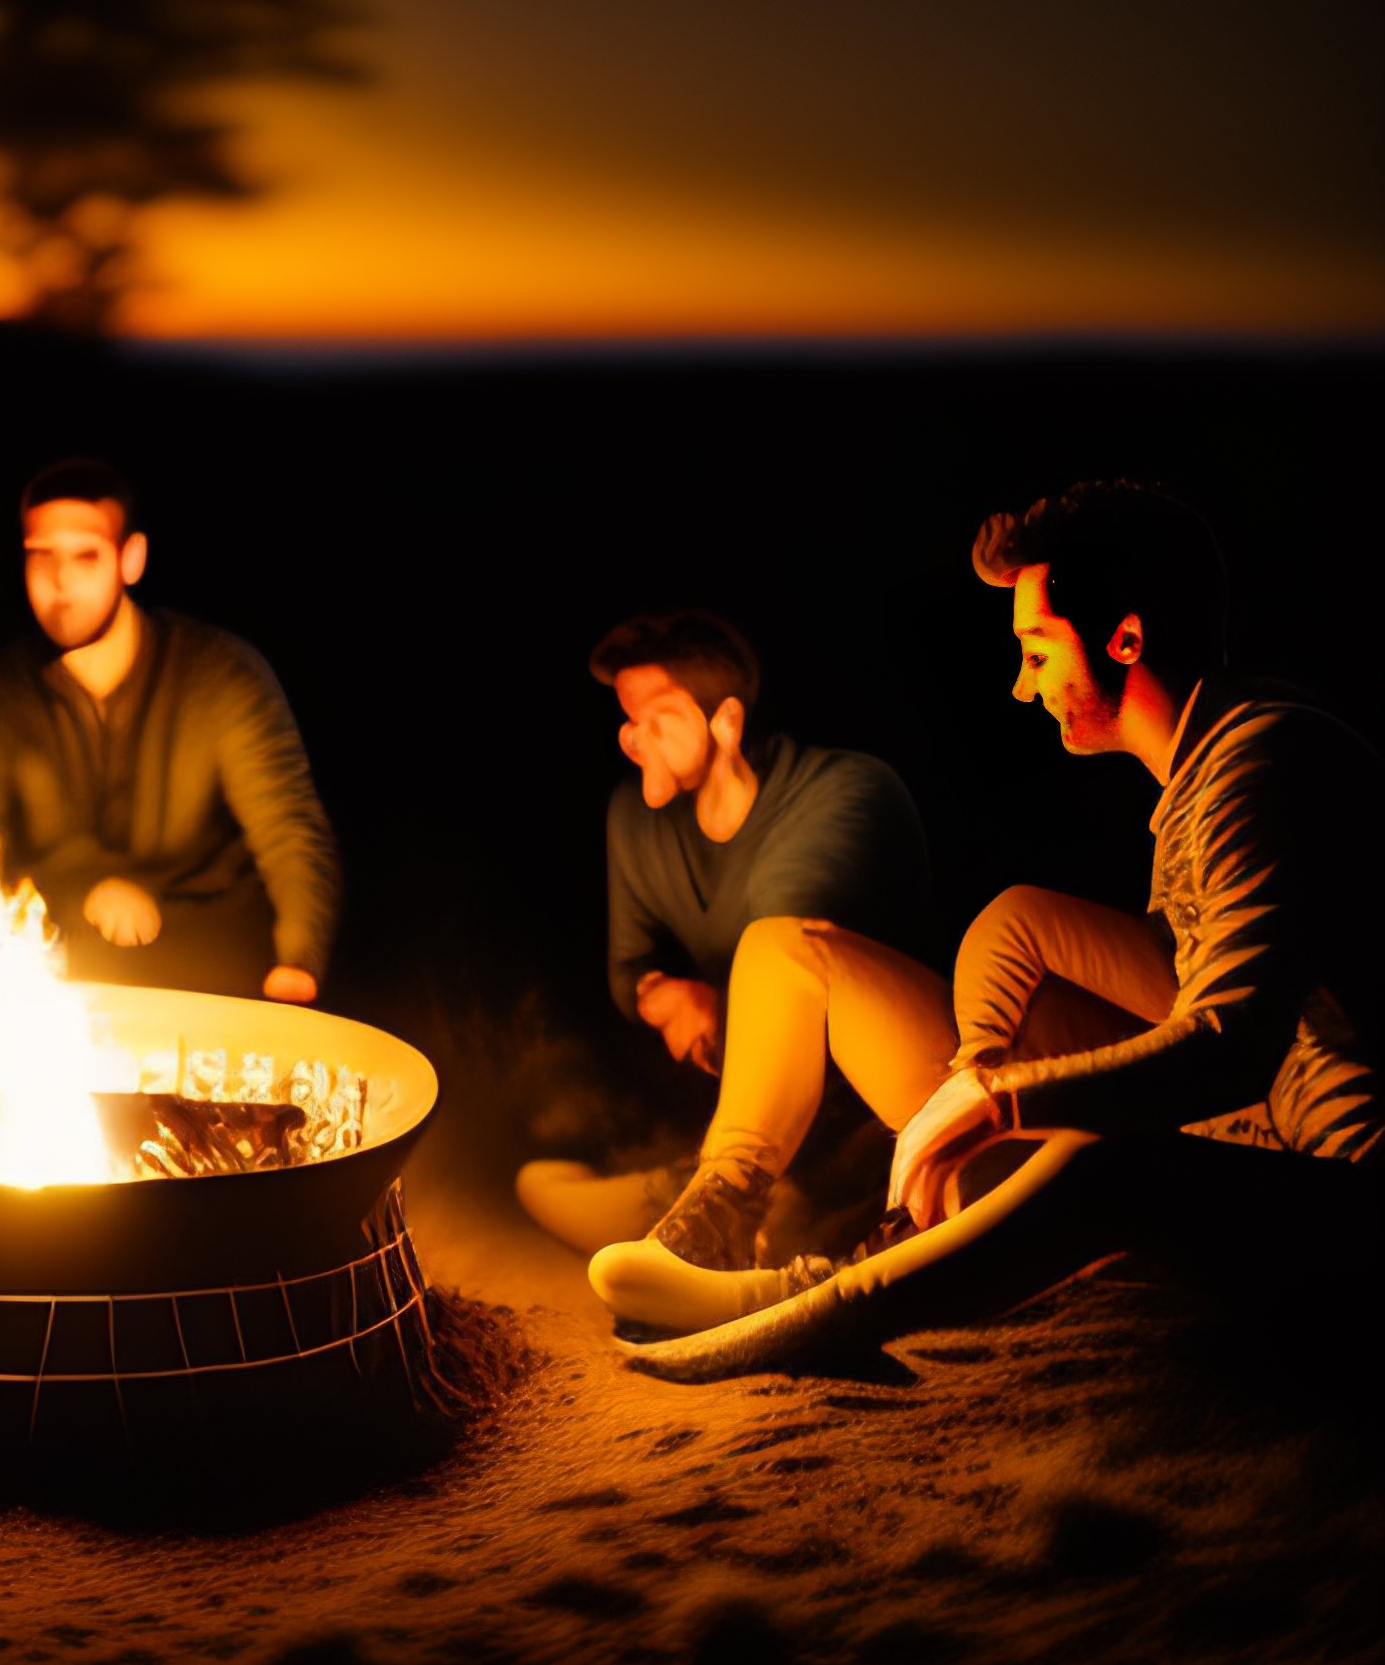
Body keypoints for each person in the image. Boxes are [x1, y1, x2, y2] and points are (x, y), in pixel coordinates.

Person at [593, 482, 1381, 1357]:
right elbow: (1182, 980)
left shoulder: (1260, 768)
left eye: (1039, 650)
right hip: (1247, 1137)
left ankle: (818, 1307)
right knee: (857, 942)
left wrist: (997, 1102)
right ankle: (725, 1232)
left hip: (1344, 1208)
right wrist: (979, 1066)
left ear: (1124, 640)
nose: (1021, 684)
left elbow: (1233, 1041)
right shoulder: (1208, 771)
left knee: (1104, 1168)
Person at [517, 612, 931, 1257]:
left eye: (658, 717)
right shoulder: (636, 818)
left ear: (726, 722)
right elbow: (630, 967)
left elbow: (784, 959)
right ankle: (706, 1198)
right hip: (760, 1125)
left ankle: (749, 1218)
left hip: (878, 1123)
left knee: (788, 1251)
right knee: (539, 1187)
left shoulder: (845, 795)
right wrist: (666, 993)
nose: (633, 738)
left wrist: (721, 1007)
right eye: (627, 718)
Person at [0, 459, 338, 1001]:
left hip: (214, 958)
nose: (59, 583)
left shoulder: (219, 673)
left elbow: (290, 830)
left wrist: (299, 961)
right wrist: (84, 890)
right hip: (65, 963)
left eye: (85, 556)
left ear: (131, 558)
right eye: (41, 557)